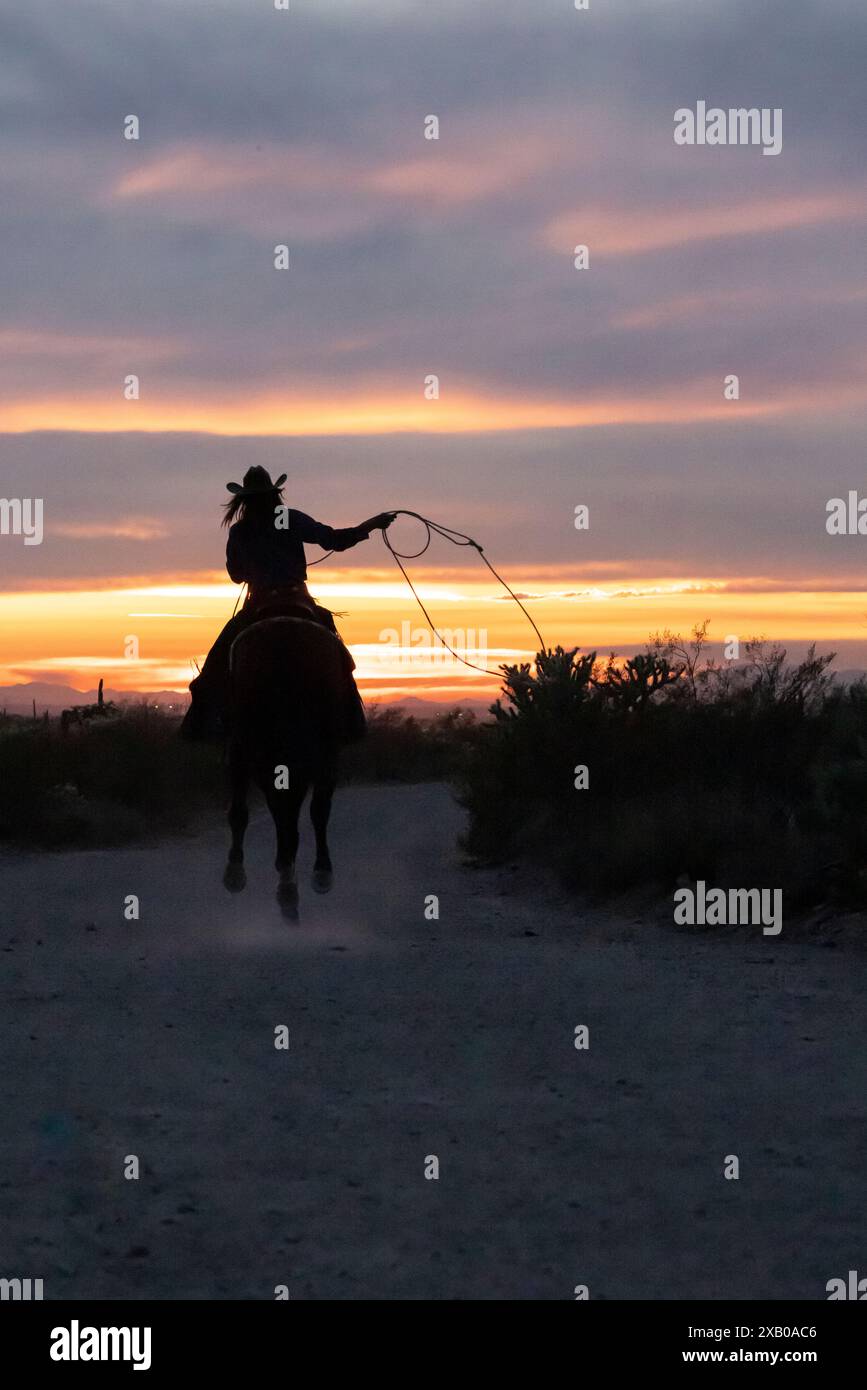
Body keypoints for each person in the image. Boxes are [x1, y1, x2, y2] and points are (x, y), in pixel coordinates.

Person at [180, 466, 395, 741]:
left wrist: (256, 565)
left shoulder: (241, 530)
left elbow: (236, 576)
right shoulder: (288, 518)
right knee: (342, 661)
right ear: (274, 495)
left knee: (215, 664)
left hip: (258, 604)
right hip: (298, 599)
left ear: (244, 500)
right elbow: (333, 540)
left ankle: (202, 726)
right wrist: (371, 525)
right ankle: (352, 722)